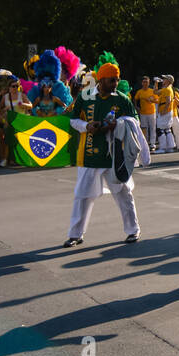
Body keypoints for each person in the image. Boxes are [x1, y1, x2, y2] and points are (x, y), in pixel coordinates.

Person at [62, 53, 143, 248]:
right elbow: (73, 120)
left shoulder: (123, 99)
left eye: (117, 80)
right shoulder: (84, 96)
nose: (115, 83)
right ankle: (75, 234)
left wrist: (118, 124)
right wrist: (87, 126)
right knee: (82, 196)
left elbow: (135, 122)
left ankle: (133, 231)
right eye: (111, 80)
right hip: (89, 155)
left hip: (114, 156)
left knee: (124, 193)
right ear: (101, 79)